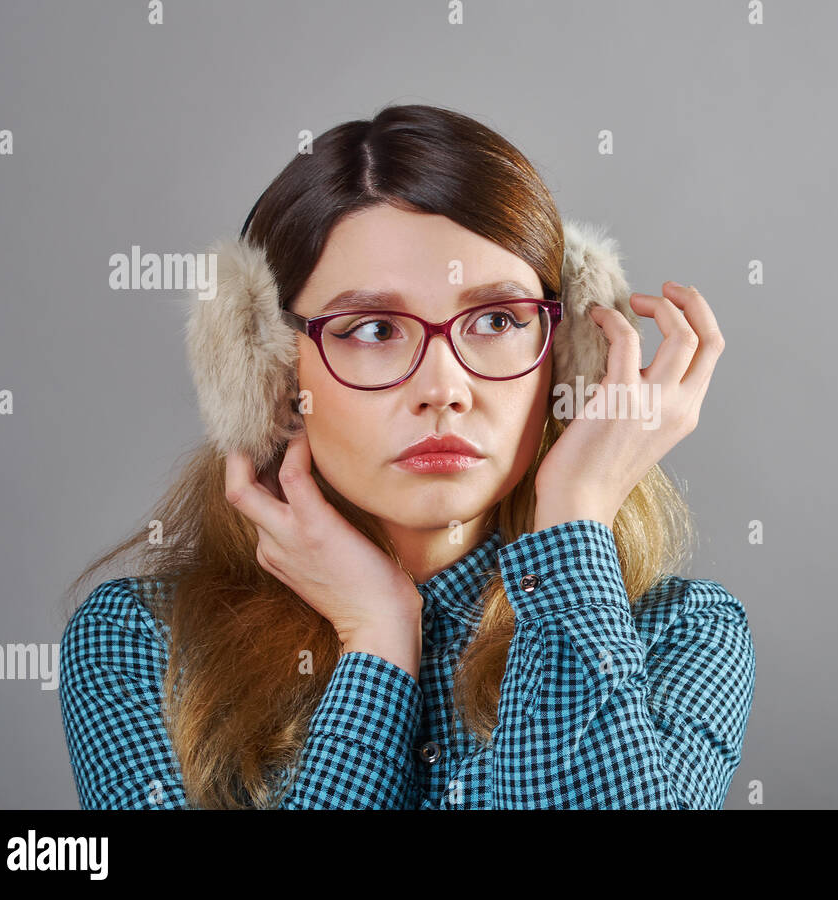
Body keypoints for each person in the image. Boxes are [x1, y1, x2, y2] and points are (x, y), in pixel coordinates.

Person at [58, 103, 754, 809]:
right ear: (265, 369)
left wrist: (576, 511)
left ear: (570, 354)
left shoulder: (678, 635)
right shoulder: (143, 643)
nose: (444, 389)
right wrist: (377, 640)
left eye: (497, 320)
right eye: (373, 328)